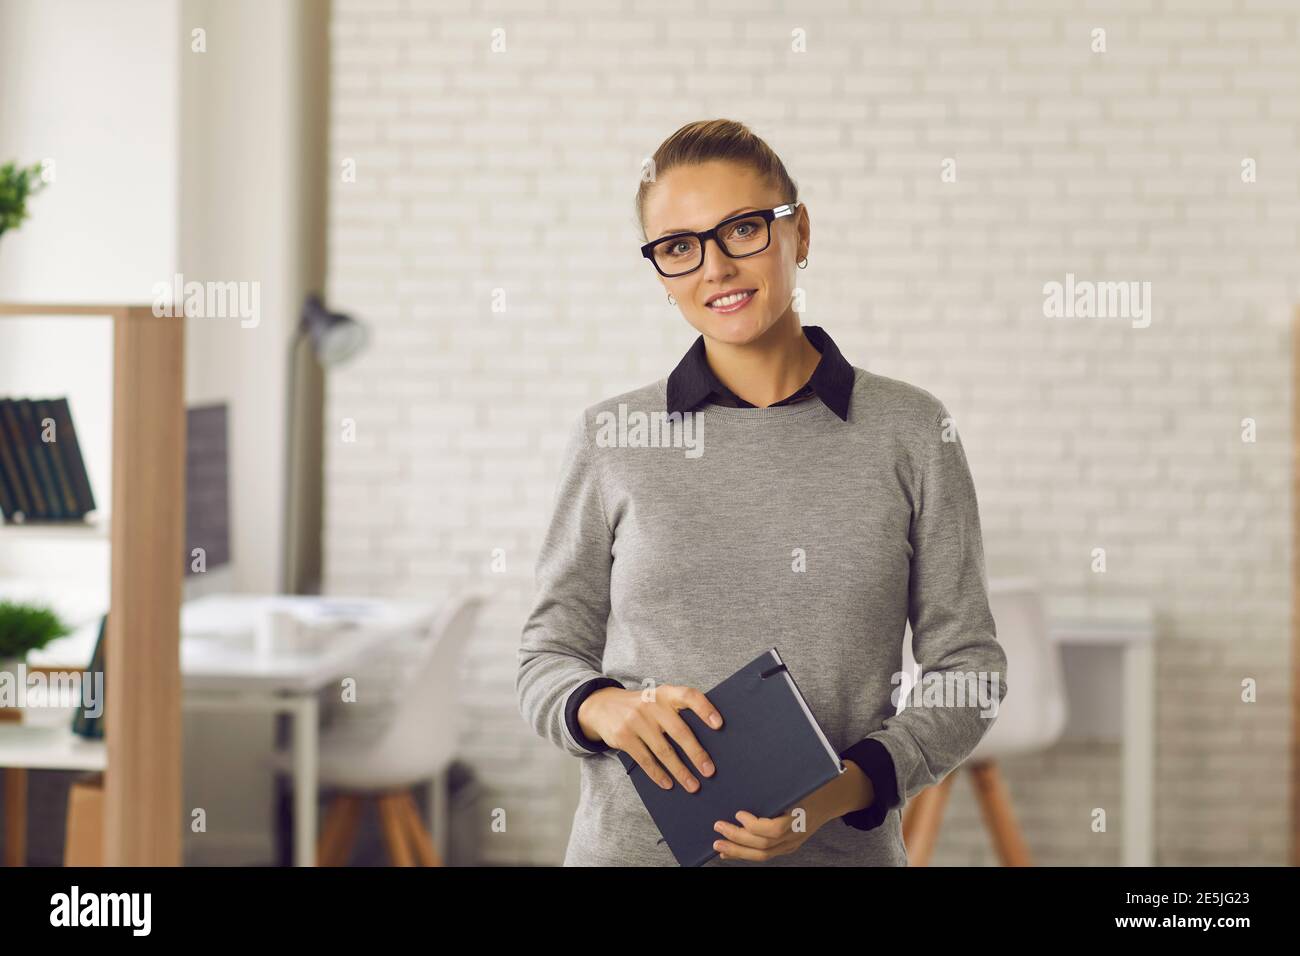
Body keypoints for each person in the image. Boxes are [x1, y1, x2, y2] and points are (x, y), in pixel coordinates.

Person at [516, 118, 1008, 866]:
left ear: (799, 232)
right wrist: (608, 708)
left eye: (742, 229)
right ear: (661, 271)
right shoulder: (610, 438)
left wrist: (839, 791)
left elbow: (969, 672)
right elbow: (547, 657)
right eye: (679, 247)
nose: (714, 268)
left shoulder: (911, 431)